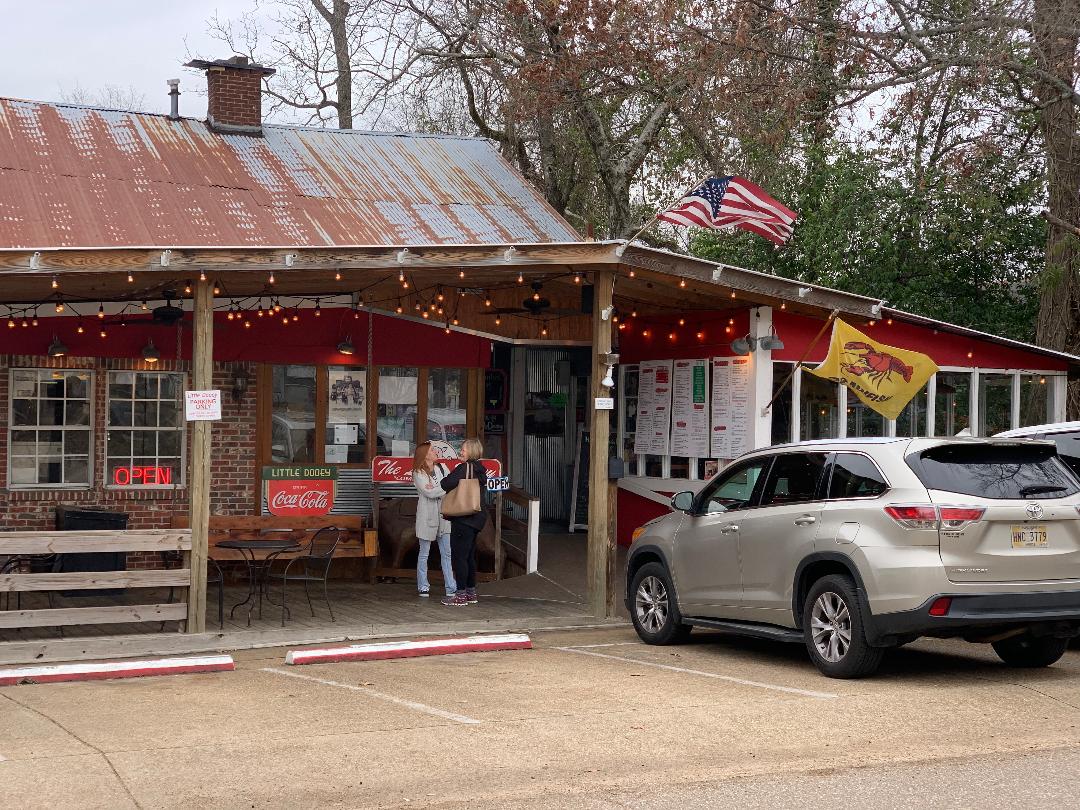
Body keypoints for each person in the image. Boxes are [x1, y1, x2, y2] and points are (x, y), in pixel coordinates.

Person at [438, 437, 488, 606]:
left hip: (464, 517)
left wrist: (457, 469)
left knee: (459, 557)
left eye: (464, 449)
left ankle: (459, 596)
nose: (461, 451)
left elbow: (445, 484)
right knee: (469, 557)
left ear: (471, 452)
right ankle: (470, 593)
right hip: (477, 517)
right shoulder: (481, 469)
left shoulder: (464, 468)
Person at [410, 442, 457, 601]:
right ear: (425, 454)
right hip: (426, 517)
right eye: (431, 450)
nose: (435, 451)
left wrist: (437, 487)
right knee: (424, 554)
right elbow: (429, 493)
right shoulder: (417, 472)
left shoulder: (442, 467)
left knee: (447, 553)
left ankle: (451, 587)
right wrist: (443, 487)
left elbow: (452, 487)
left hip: (444, 517)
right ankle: (423, 586)